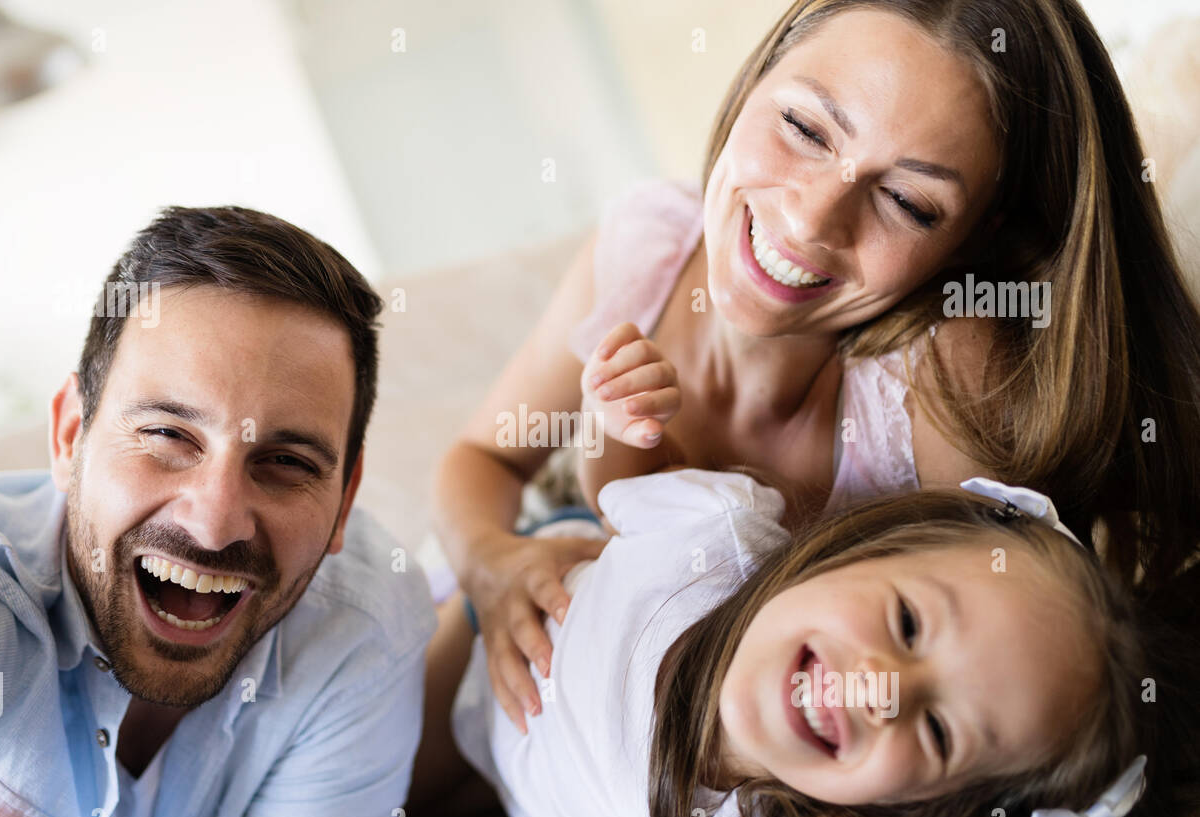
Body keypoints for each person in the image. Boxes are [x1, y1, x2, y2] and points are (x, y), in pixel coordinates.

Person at [429, 0, 1200, 737]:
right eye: (803, 127)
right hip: (552, 565)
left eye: (907, 200)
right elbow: (482, 459)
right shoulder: (650, 244)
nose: (809, 219)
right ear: (760, 72)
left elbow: (948, 706)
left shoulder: (947, 374)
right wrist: (494, 564)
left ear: (974, 240)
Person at [0, 206, 435, 817]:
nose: (213, 525)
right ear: (71, 437)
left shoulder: (363, 629)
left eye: (287, 463)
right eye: (167, 435)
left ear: (344, 501)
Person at [413, 466, 1155, 817]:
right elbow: (618, 498)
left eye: (935, 730)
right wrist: (622, 420)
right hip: (505, 628)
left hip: (515, 781)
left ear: (921, 805)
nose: (883, 690)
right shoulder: (718, 527)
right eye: (906, 623)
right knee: (384, 777)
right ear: (864, 547)